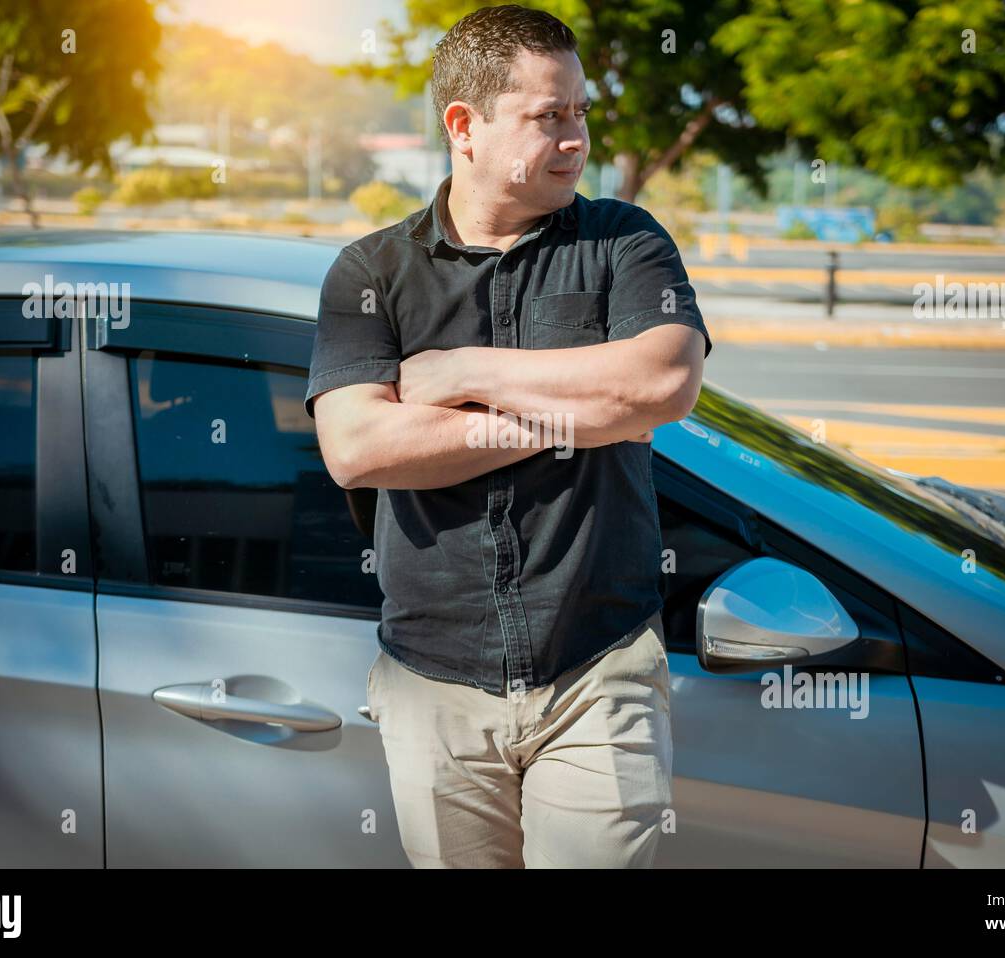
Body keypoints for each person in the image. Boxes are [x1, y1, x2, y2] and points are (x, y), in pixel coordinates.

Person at [304, 3, 711, 868]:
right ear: (465, 125)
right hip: (433, 679)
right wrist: (584, 415)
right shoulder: (371, 271)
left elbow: (664, 382)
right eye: (548, 115)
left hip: (599, 669)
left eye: (582, 112)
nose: (577, 139)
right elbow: (359, 448)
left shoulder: (623, 242)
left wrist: (462, 375)